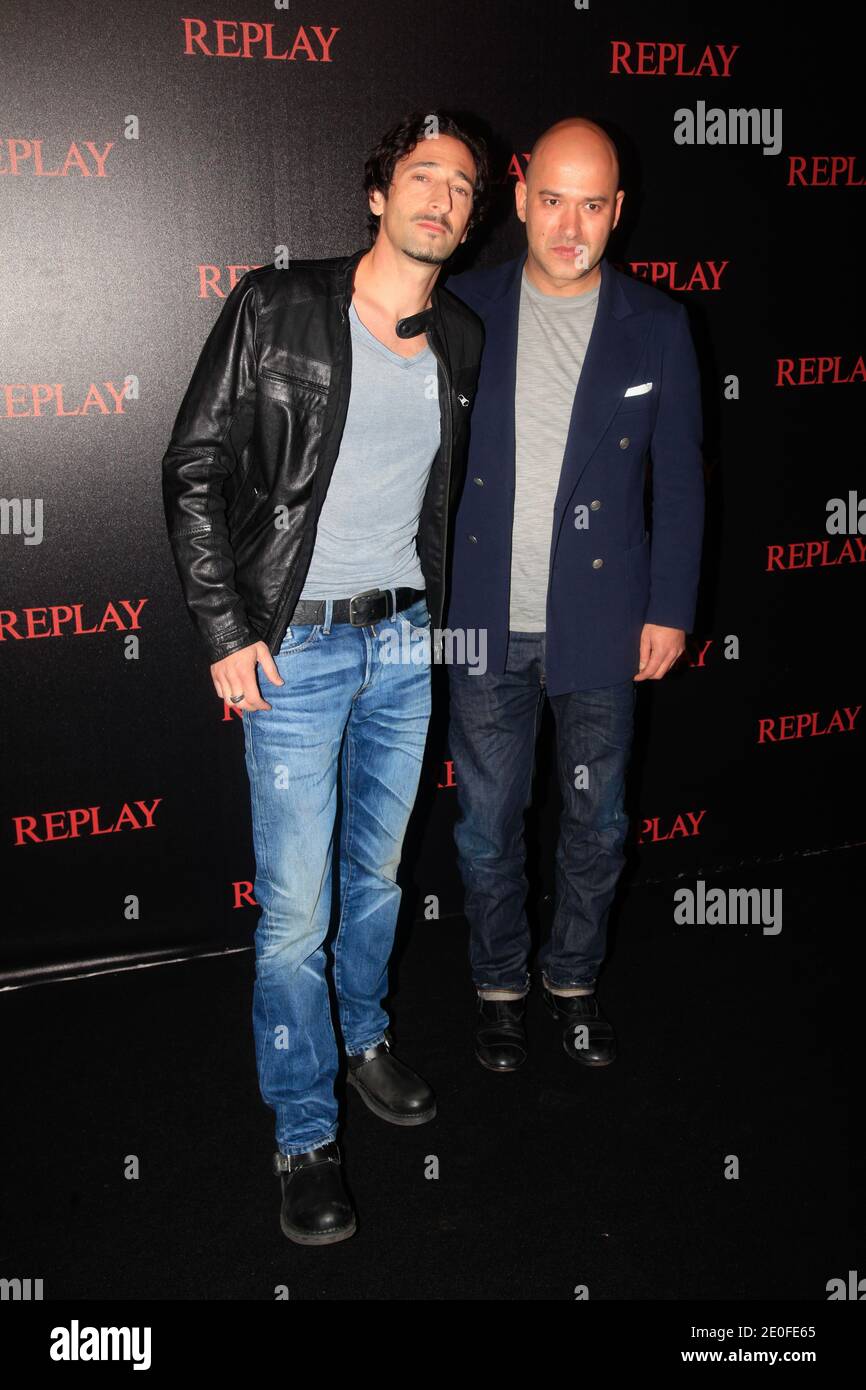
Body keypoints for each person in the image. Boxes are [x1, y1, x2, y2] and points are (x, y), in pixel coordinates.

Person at [161, 111, 488, 1243]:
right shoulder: (277, 304)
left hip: (406, 646)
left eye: (462, 188)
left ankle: (363, 1040)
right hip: (290, 648)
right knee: (293, 916)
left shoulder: (458, 336)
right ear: (376, 192)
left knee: (382, 878)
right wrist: (222, 630)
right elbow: (195, 465)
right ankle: (303, 1132)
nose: (442, 200)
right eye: (423, 177)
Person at [444, 117, 704, 1072]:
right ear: (519, 199)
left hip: (601, 628)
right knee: (486, 827)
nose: (569, 224)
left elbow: (678, 483)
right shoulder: (461, 309)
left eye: (592, 204)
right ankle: (501, 984)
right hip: (481, 627)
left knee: (595, 824)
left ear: (617, 212)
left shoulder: (660, 325)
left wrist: (670, 606)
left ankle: (572, 982)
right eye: (552, 199)